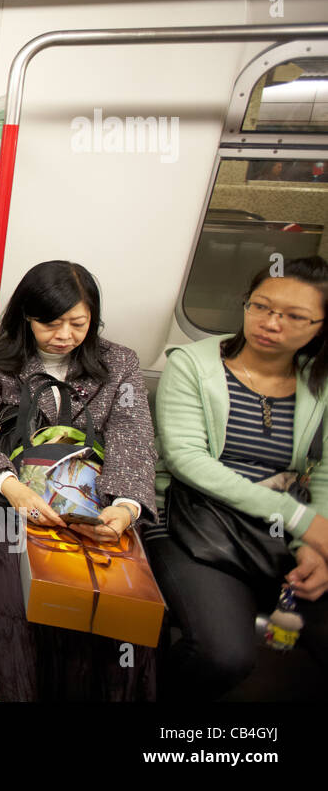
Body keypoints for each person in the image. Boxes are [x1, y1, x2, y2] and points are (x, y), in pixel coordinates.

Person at [0, 260, 156, 701]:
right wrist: (11, 487)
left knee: (117, 608)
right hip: (9, 500)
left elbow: (133, 438)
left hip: (96, 501)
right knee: (16, 601)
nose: (66, 335)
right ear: (25, 318)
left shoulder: (119, 363)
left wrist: (125, 507)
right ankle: (16, 690)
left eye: (78, 323)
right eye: (50, 323)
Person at [151, 257, 328, 700]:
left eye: (294, 316)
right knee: (222, 655)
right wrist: (302, 522)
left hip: (281, 536)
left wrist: (311, 548)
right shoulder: (193, 363)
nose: (271, 323)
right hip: (193, 523)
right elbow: (187, 459)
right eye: (260, 306)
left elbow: (321, 474)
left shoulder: (320, 386)